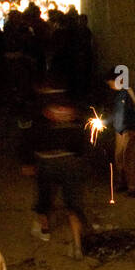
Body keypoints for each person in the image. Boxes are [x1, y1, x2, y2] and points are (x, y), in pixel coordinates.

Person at [25, 87, 89, 259]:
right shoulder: (74, 114)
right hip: (70, 162)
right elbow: (82, 142)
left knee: (44, 196)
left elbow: (31, 138)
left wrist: (28, 161)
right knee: (73, 206)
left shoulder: (43, 113)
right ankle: (77, 245)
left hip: (46, 161)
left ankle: (44, 230)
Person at [108, 70, 135, 196]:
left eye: (112, 83)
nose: (111, 86)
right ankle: (123, 182)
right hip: (119, 130)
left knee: (130, 158)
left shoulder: (128, 93)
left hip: (129, 131)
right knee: (119, 157)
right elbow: (116, 114)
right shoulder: (118, 96)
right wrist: (104, 122)